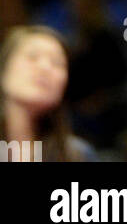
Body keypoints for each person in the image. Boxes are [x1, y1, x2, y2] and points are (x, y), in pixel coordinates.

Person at [0, 25, 95, 161]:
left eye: (57, 63)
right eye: (32, 57)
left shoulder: (78, 155)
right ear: (4, 70)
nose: (45, 67)